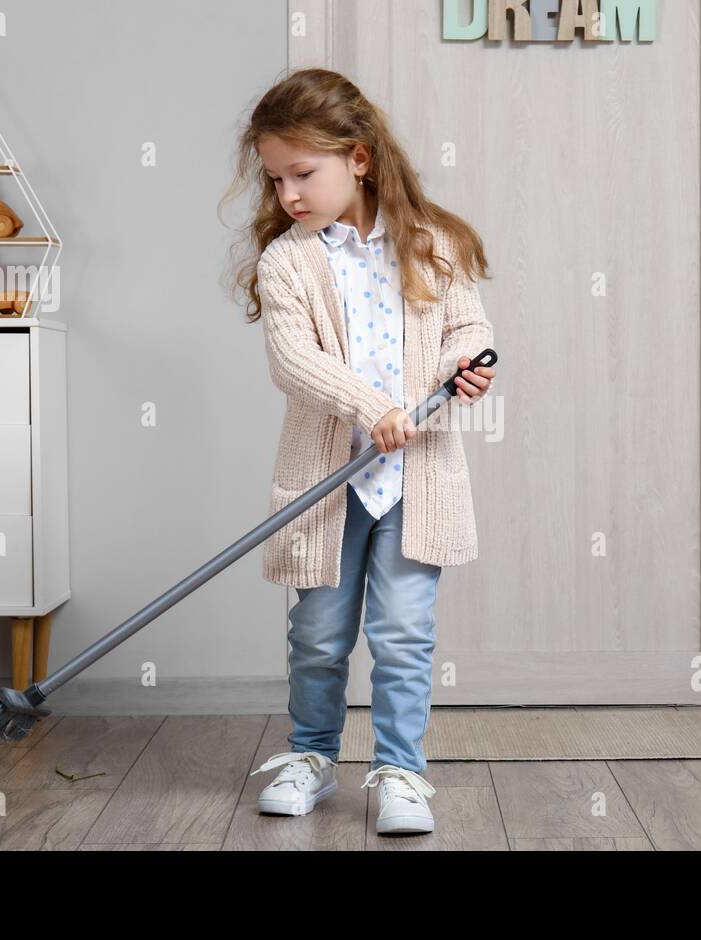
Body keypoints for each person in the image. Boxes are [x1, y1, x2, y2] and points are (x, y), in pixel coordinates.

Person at [222, 67, 497, 834]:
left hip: (416, 477)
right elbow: (293, 362)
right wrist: (372, 405)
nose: (289, 195)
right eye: (276, 180)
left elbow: (467, 330)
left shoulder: (432, 244)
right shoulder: (290, 262)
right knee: (318, 631)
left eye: (303, 174)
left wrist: (465, 366)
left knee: (405, 632)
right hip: (329, 479)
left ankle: (401, 773)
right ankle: (311, 755)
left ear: (360, 159)